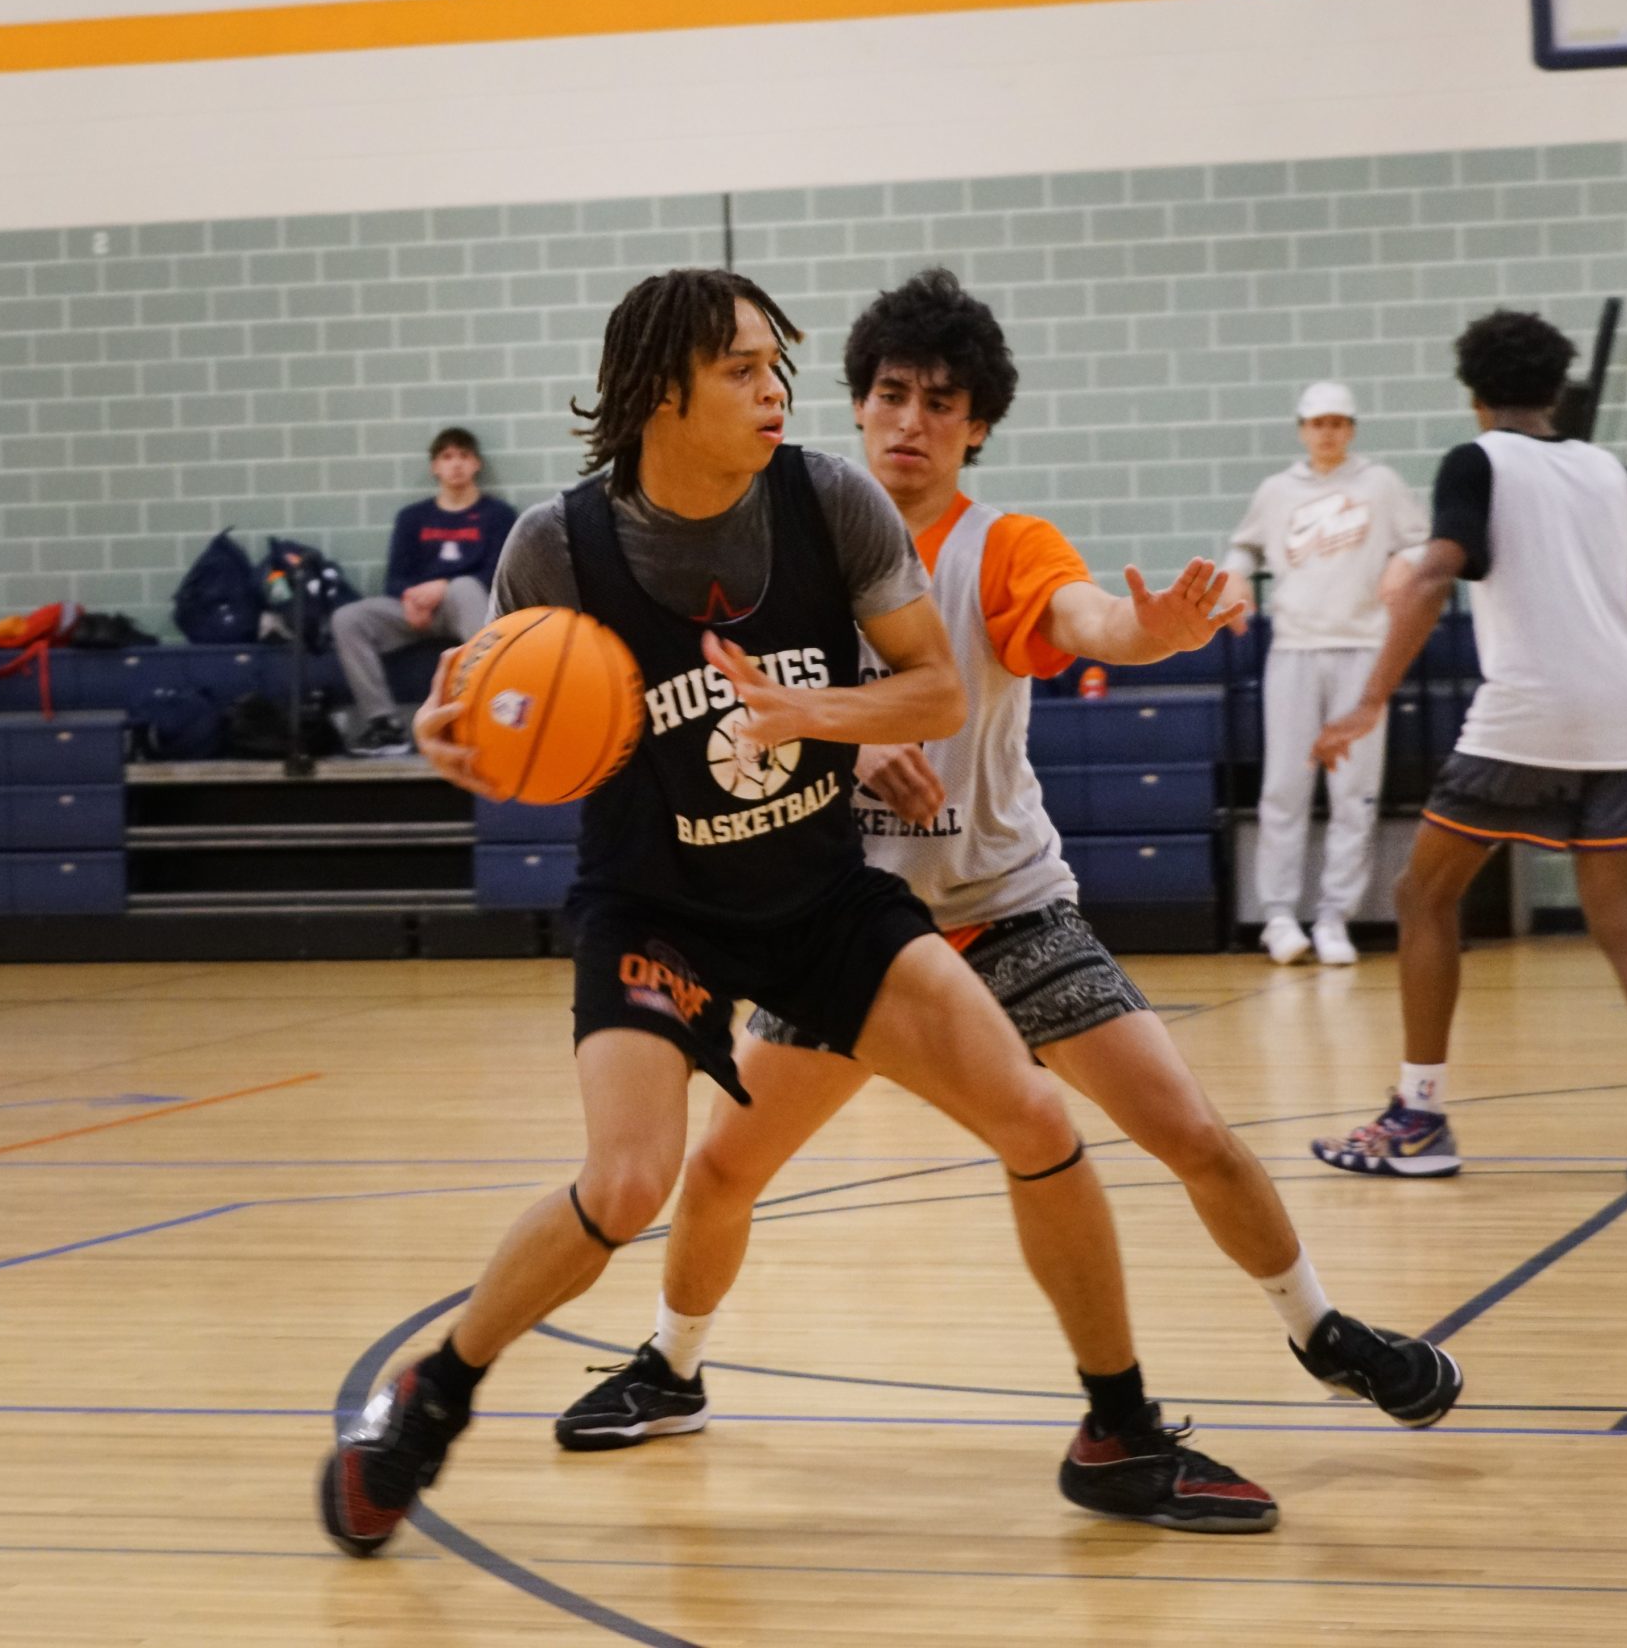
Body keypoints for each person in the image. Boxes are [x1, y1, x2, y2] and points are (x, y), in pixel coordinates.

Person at [319, 268, 1277, 1556]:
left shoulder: (826, 503)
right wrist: (466, 747)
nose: (775, 389)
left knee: (1037, 1117)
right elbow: (507, 729)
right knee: (629, 1180)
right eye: (739, 369)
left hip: (820, 898)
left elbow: (935, 692)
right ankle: (434, 1396)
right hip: (654, 905)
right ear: (662, 390)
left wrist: (812, 711)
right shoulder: (557, 543)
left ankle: (1118, 1430)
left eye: (780, 364)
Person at [557, 270, 1460, 1466]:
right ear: (856, 404)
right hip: (845, 926)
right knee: (723, 1166)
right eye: (889, 395)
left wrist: (1157, 632)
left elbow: (1090, 621)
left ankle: (1318, 1327)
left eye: (942, 402)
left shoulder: (1002, 545)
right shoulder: (786, 531)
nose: (911, 422)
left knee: (1188, 1127)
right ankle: (672, 1367)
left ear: (976, 422)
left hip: (1000, 908)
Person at [1307, 309, 1627, 1190]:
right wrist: (1626, 701)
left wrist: (1370, 697)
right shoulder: (1613, 471)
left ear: (1475, 395)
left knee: (1424, 894)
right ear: (1556, 389)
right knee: (1617, 916)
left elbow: (1433, 570)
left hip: (1527, 711)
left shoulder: (1478, 460)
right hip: (1616, 715)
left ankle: (1419, 1115)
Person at [1221, 381, 1429, 966]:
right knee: (1284, 787)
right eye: (1318, 423)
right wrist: (1232, 576)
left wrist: (1402, 563)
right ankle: (1279, 916)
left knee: (1354, 792)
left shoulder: (1381, 485)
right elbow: (1245, 548)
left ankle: (1337, 916)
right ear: (1302, 429)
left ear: (1351, 428)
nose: (1328, 432)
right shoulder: (1277, 490)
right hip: (1293, 652)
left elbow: (1421, 544)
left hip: (1363, 650)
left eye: (1338, 422)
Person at [332, 427, 517, 756]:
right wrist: (411, 599)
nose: (456, 464)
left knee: (463, 586)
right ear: (435, 467)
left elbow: (497, 575)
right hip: (419, 611)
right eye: (447, 457)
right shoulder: (413, 517)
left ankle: (491, 709)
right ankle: (384, 725)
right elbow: (396, 578)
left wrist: (442, 586)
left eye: (463, 456)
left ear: (476, 464)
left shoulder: (498, 516)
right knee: (348, 618)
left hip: (471, 607)